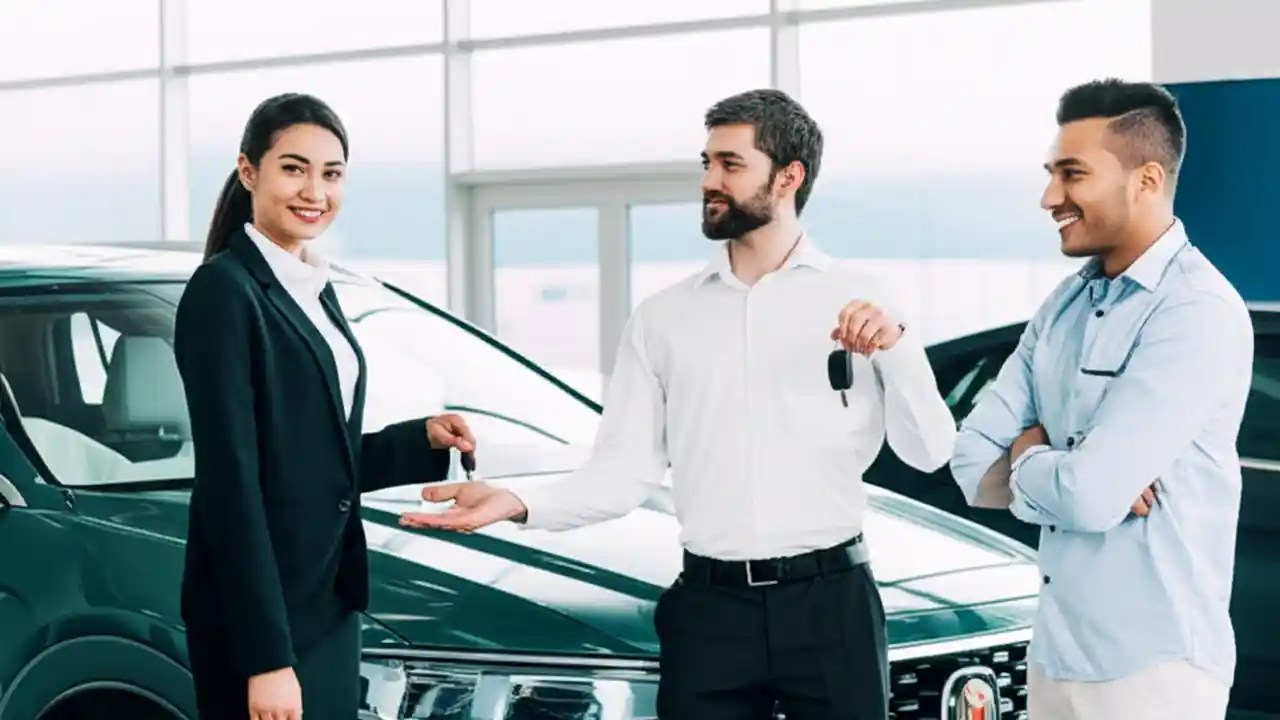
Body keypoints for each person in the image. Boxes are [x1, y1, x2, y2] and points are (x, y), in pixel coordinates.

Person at [399, 88, 957, 719]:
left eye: (730, 164)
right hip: (710, 614)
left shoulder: (866, 299)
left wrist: (898, 349)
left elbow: (929, 450)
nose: (709, 181)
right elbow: (621, 476)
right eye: (706, 163)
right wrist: (518, 502)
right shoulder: (663, 318)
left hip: (831, 607)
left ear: (789, 177)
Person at [949, 79, 1252, 719]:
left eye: (1072, 174)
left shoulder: (1195, 310)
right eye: (1051, 174)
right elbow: (971, 465)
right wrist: (1074, 468)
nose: (1049, 197)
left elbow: (1088, 495)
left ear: (1145, 179)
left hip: (1154, 672)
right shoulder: (1060, 307)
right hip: (1055, 657)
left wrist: (1033, 454)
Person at [173, 92, 476, 720]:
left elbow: (309, 462)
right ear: (248, 170)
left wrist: (418, 441)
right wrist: (265, 658)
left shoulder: (315, 287)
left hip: (326, 601)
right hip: (264, 617)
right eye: (293, 167)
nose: (315, 190)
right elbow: (233, 484)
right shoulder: (224, 292)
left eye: (331, 173)